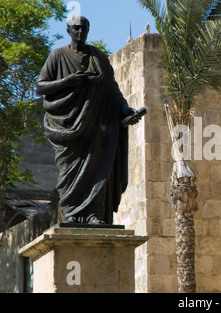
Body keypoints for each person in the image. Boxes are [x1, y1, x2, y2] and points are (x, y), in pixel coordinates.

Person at [36, 16, 143, 224]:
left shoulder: (98, 58)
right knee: (69, 172)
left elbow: (112, 90)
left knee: (98, 169)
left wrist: (125, 109)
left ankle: (94, 214)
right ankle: (72, 214)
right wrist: (68, 81)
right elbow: (41, 86)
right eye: (76, 28)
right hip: (67, 128)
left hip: (96, 128)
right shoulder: (57, 56)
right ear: (68, 31)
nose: (80, 32)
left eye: (84, 28)